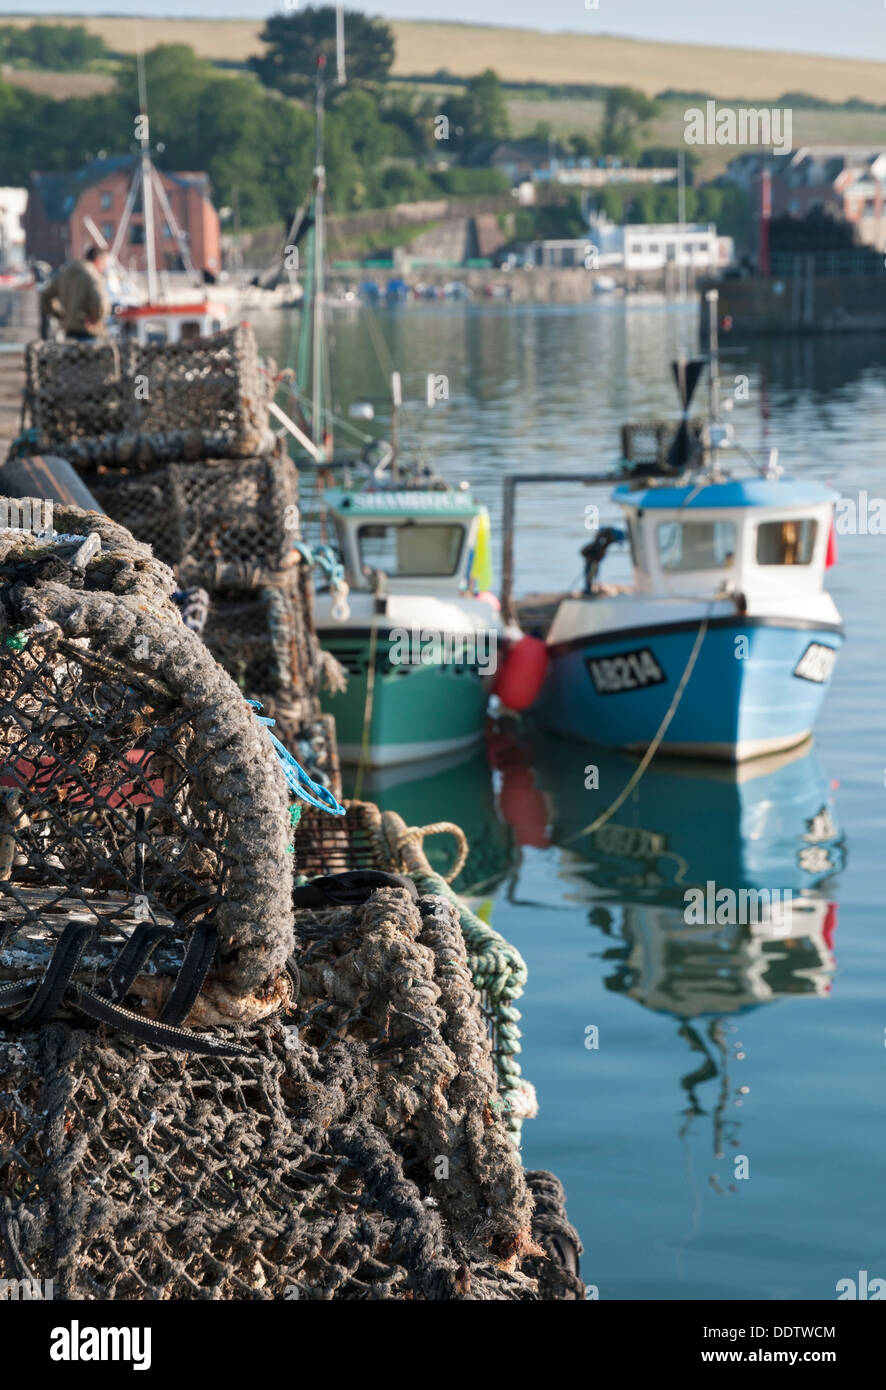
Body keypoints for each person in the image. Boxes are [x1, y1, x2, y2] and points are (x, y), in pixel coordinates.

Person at [39, 246, 111, 341]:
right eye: (104, 263)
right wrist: (96, 318)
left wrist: (60, 316)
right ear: (98, 260)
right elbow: (101, 304)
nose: (104, 268)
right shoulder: (93, 275)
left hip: (69, 333)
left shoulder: (65, 273)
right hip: (90, 333)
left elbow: (45, 296)